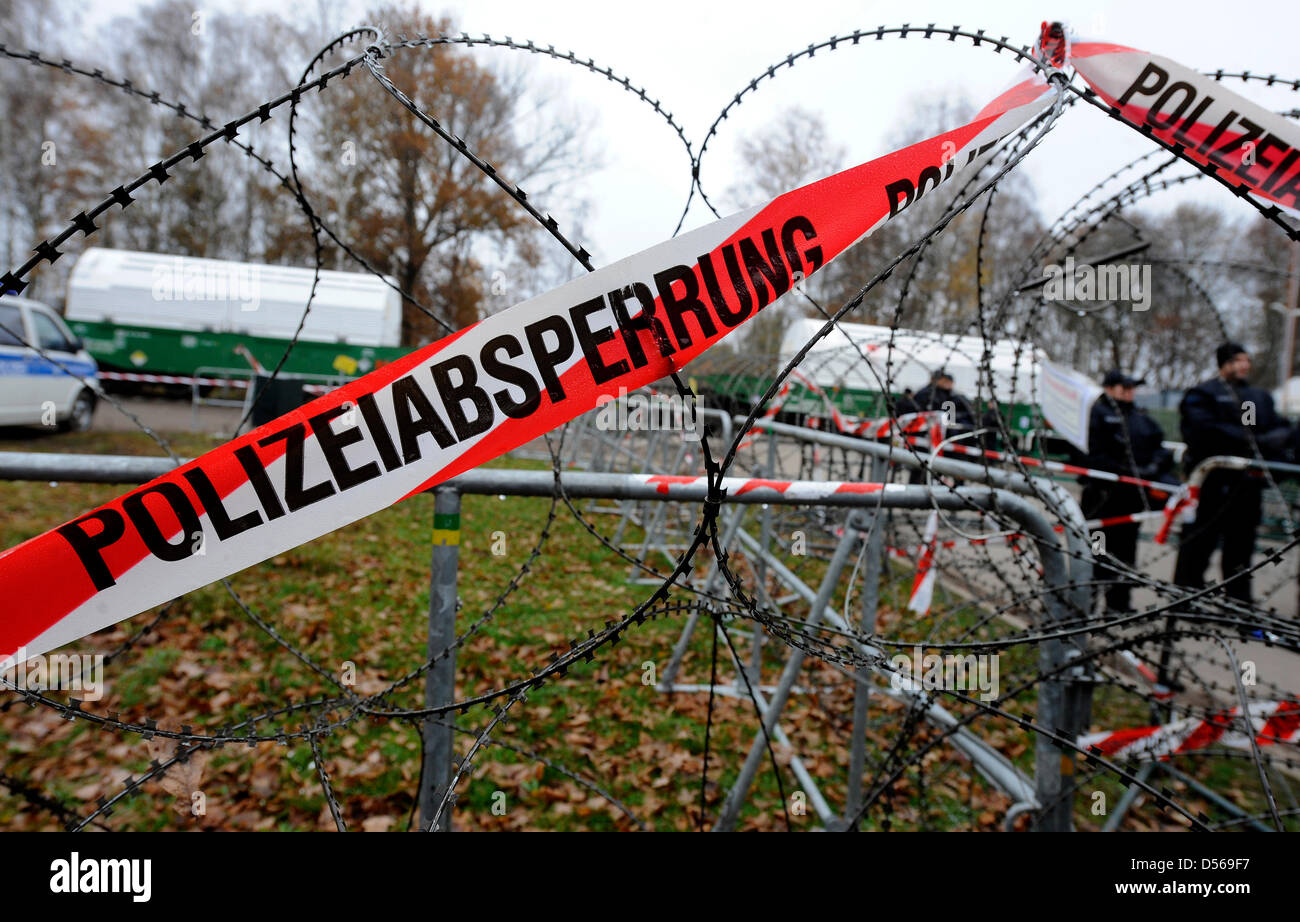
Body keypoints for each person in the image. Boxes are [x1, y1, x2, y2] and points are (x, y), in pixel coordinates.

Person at [1172, 342, 1292, 605]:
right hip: (1212, 485)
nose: (1244, 366)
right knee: (1199, 544)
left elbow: (1279, 429)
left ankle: (1238, 602)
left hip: (1247, 487)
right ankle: (1187, 597)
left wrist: (1269, 441)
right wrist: (1250, 440)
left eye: (1246, 360)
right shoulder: (1204, 394)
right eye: (1238, 360)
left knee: (1241, 547)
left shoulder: (1258, 397)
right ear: (1224, 363)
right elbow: (1203, 432)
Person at [1076, 370, 1174, 613]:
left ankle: (1118, 604)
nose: (1130, 392)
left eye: (1132, 388)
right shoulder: (1097, 415)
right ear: (1109, 388)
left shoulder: (1141, 417)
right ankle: (1087, 602)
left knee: (1125, 553)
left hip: (1131, 499)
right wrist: (1124, 471)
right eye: (1124, 387)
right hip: (1103, 499)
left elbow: (1160, 448)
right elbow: (1090, 456)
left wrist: (1152, 468)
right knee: (1097, 551)